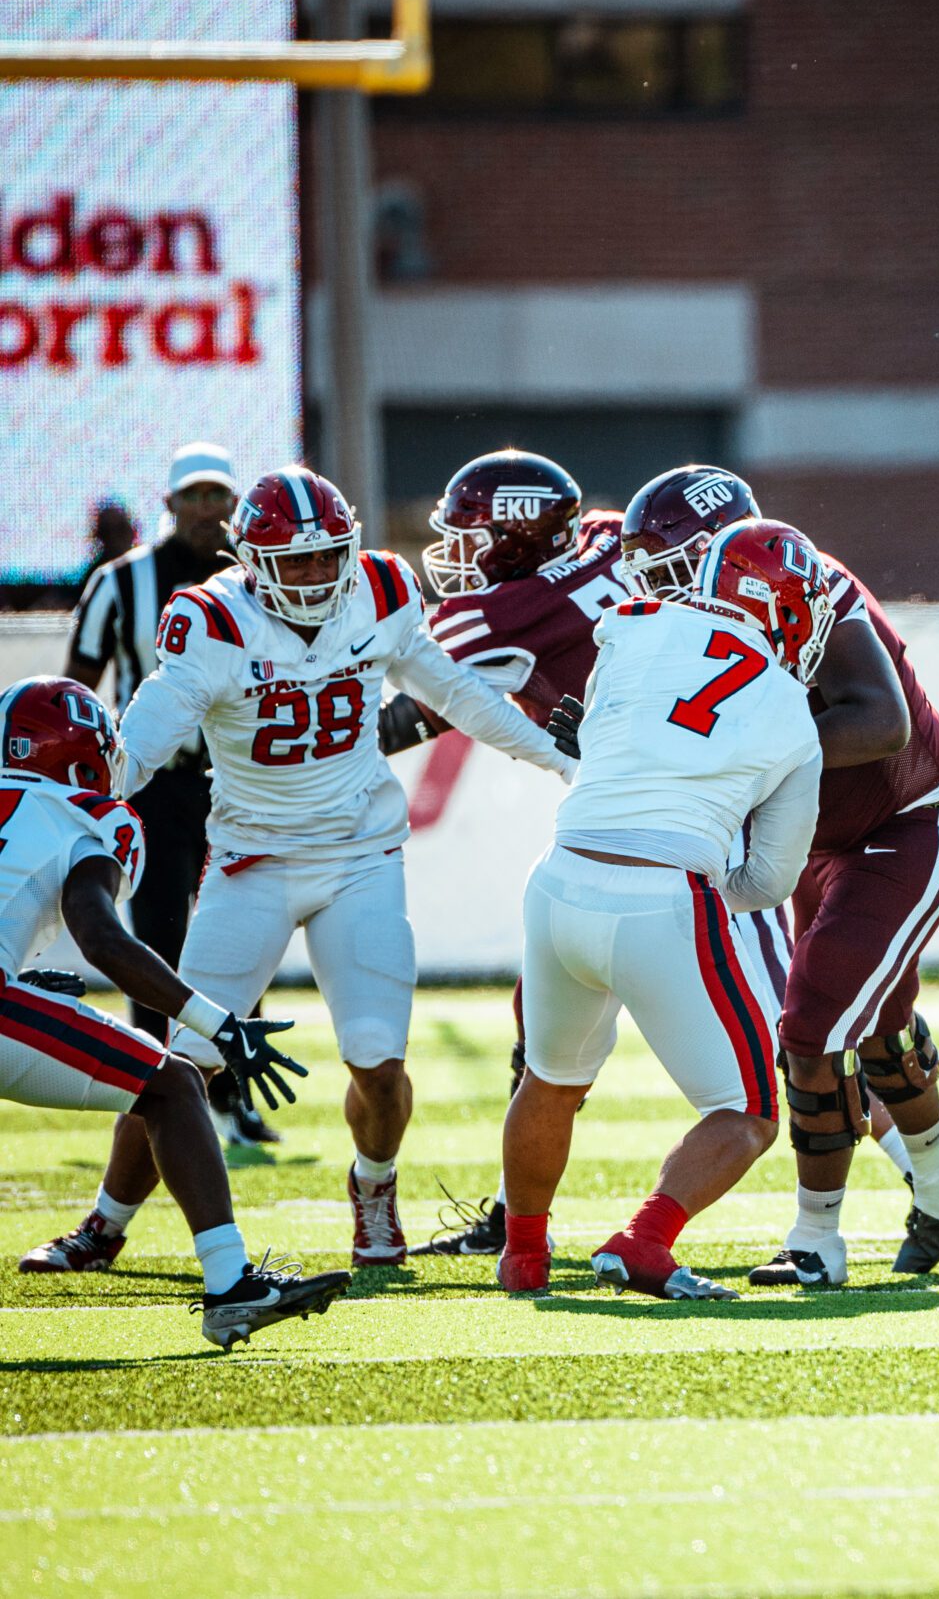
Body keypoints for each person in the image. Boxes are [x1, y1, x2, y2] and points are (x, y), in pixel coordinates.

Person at [69, 467, 576, 1269]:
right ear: (250, 557)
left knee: (378, 1063)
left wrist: (554, 757)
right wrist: (88, 798)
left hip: (359, 859)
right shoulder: (214, 619)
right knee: (180, 1062)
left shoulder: (377, 587)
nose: (313, 574)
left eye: (326, 556)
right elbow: (149, 732)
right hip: (251, 864)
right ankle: (103, 1223)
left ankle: (373, 1186)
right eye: (294, 561)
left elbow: (459, 692)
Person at [617, 466, 939, 1284]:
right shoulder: (684, 626)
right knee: (876, 1016)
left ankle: (816, 1236)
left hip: (913, 820)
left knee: (814, 1024)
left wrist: (752, 744)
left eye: (674, 571)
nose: (667, 594)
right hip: (819, 837)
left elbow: (883, 721)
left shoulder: (808, 587)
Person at [497, 519, 825, 1300]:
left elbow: (607, 731)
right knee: (746, 1112)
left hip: (558, 876)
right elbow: (772, 880)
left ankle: (524, 1255)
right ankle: (645, 1240)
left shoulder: (633, 629)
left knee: (549, 1079)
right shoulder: (789, 707)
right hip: (664, 894)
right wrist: (706, 890)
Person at [0, 678, 346, 1347]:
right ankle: (229, 1286)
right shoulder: (85, 814)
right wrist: (218, 1023)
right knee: (174, 1082)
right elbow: (103, 938)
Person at [381, 449, 647, 1258]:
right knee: (545, 1022)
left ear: (517, 539)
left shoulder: (508, 608)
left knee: (793, 1026)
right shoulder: (605, 535)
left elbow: (425, 706)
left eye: (470, 535)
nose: (455, 553)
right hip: (649, 810)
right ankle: (512, 1216)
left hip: (661, 828)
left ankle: (915, 1167)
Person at [62, 443, 273, 1149]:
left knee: (245, 930)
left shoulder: (259, 582)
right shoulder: (121, 584)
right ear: (170, 502)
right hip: (153, 783)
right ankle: (148, 1082)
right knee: (155, 932)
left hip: (239, 778)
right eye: (195, 495)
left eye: (219, 495)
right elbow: (79, 686)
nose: (208, 509)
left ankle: (233, 1096)